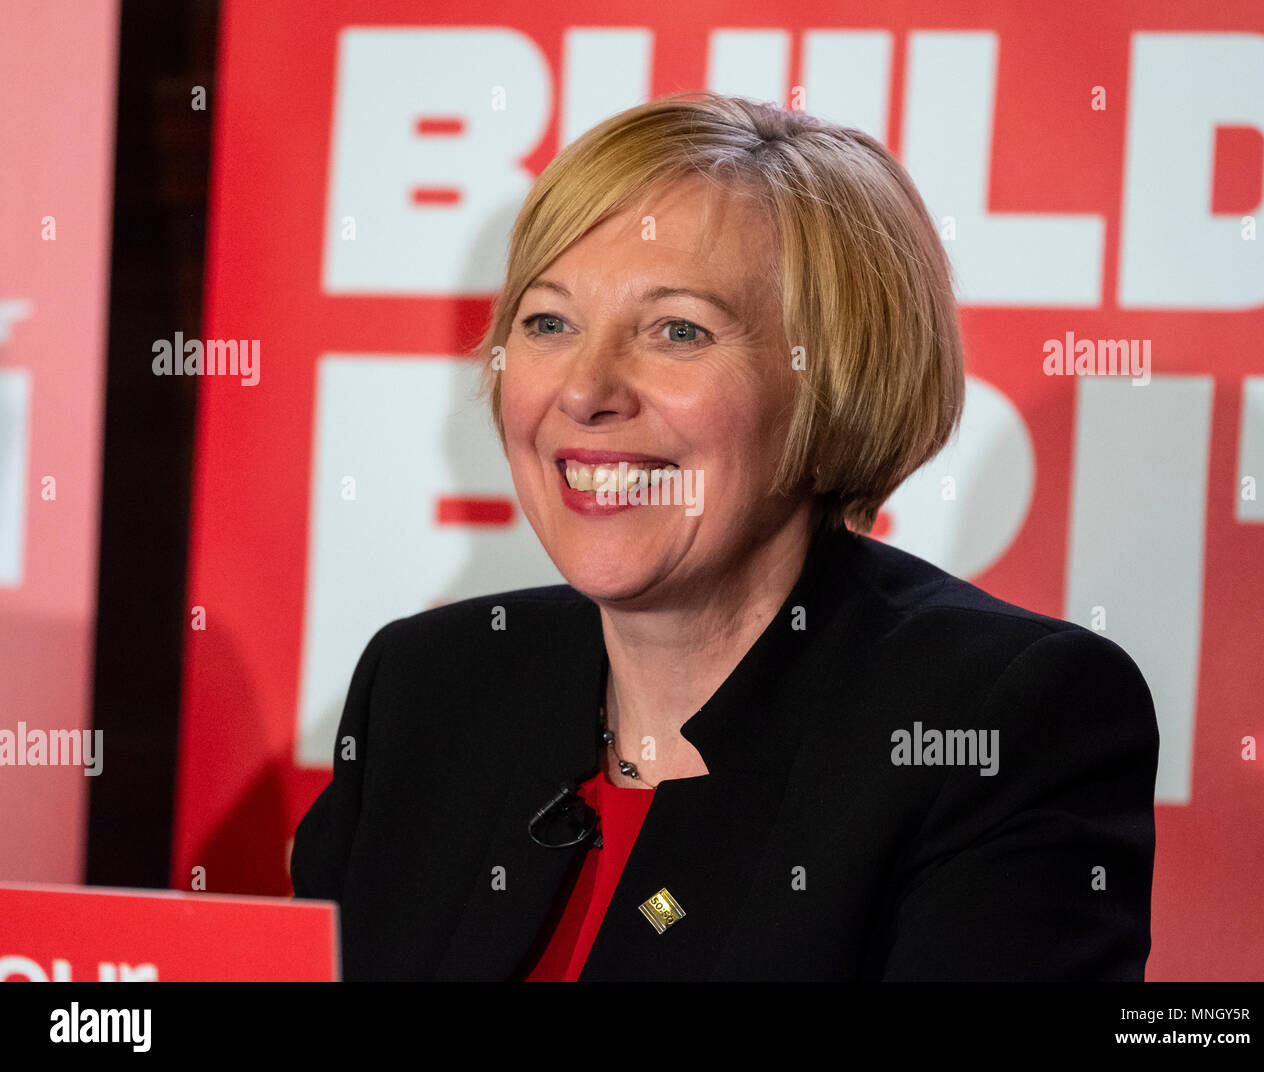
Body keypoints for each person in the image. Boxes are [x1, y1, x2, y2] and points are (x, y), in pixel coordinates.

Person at [291, 92, 1158, 981]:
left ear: (835, 383)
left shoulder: (998, 718)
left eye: (678, 330)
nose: (586, 390)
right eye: (549, 322)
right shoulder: (429, 688)